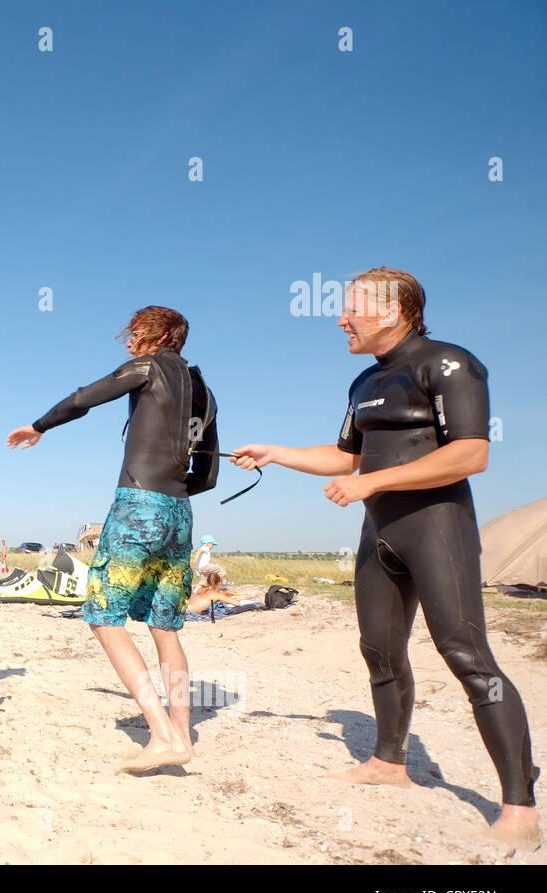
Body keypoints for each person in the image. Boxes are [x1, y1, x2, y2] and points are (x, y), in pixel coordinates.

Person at [231, 267, 539, 846]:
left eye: (351, 309)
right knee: (379, 648)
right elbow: (348, 457)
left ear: (394, 312)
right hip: (380, 535)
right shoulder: (364, 383)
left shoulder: (448, 363)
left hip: (437, 526)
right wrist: (277, 452)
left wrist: (375, 484)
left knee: (465, 653)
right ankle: (390, 763)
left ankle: (520, 804)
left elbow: (470, 455)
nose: (340, 318)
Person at [7, 305, 219, 772]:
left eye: (136, 333)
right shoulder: (205, 393)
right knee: (165, 627)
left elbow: (86, 397)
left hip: (137, 508)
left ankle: (163, 735)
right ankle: (182, 733)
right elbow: (207, 474)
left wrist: (39, 426)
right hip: (180, 513)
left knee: (103, 616)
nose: (128, 342)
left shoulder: (147, 366)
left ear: (161, 336)